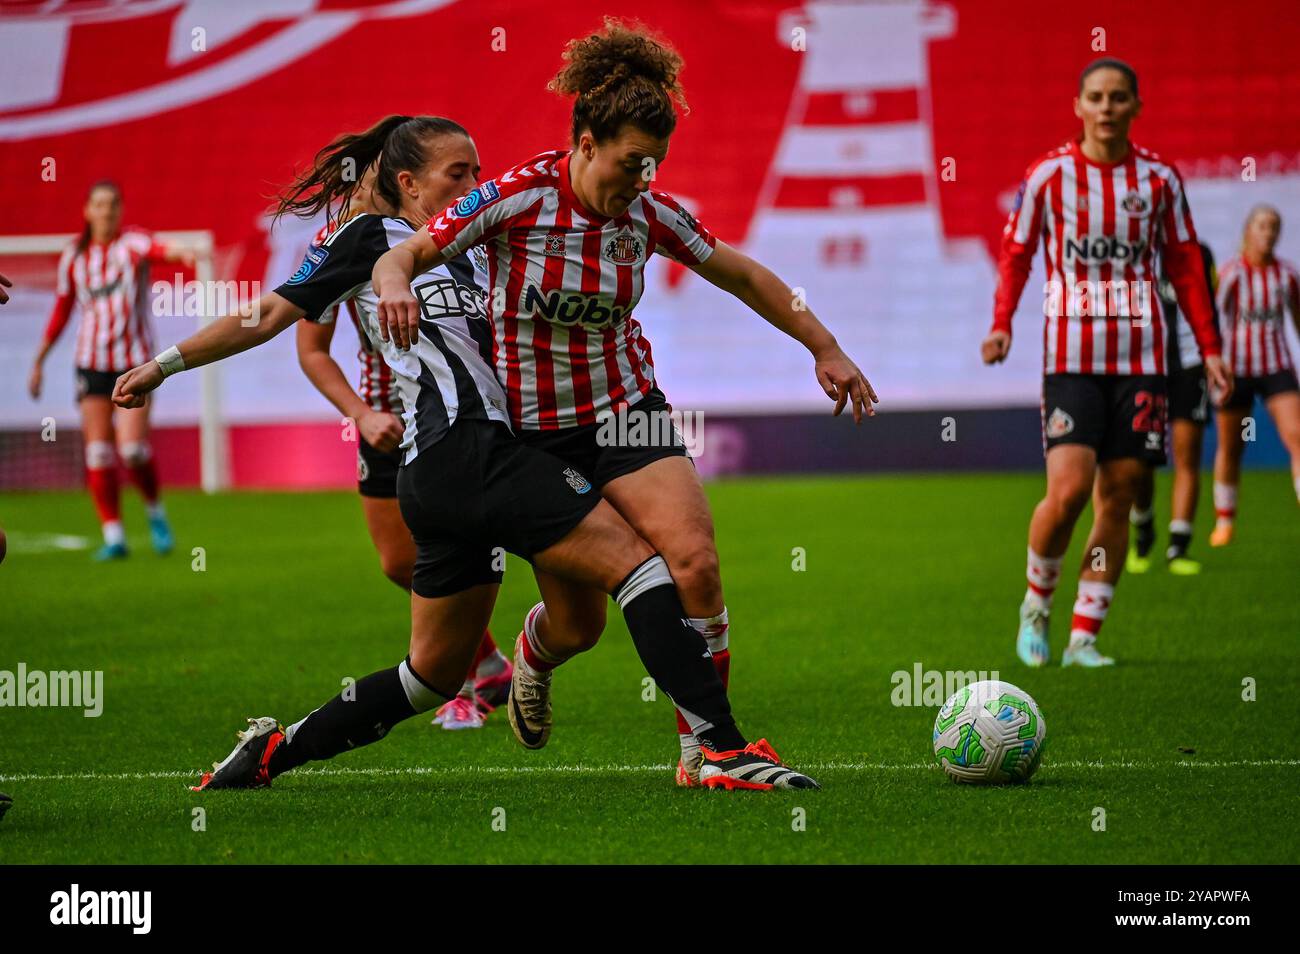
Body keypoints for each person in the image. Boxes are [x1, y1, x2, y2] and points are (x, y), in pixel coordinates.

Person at [113, 114, 819, 791]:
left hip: (451, 474)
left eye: (479, 169)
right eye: (458, 172)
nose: (474, 182)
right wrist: (162, 364)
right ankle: (722, 748)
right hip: (467, 451)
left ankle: (276, 748)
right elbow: (267, 314)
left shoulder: (478, 242)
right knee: (643, 568)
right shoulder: (370, 236)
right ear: (410, 184)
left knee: (432, 673)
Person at [371, 18, 876, 785]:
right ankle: (536, 656)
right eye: (630, 162)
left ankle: (707, 754)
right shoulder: (518, 196)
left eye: (653, 165)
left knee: (695, 564)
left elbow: (739, 273)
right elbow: (409, 249)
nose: (640, 179)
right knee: (580, 626)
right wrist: (391, 279)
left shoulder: (648, 214)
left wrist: (824, 346)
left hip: (627, 410)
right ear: (583, 143)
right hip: (536, 435)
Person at [982, 58, 1230, 668]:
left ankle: (1084, 635)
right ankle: (1037, 605)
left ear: (1136, 107)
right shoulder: (1049, 176)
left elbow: (1185, 267)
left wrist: (1212, 347)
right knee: (1067, 494)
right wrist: (1001, 322)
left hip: (1143, 360)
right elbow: (1016, 254)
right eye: (1096, 96)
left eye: (1120, 97)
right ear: (1078, 106)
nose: (1108, 107)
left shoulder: (1160, 181)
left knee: (1117, 494)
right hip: (1071, 359)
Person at [283, 149, 510, 731]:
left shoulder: (443, 233)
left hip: (451, 420)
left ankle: (464, 675)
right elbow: (310, 349)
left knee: (452, 549)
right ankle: (486, 663)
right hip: (384, 419)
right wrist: (359, 413)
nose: (357, 194)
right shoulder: (343, 243)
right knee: (398, 561)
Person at [28, 181, 189, 560]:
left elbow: (164, 249)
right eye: (99, 204)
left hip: (135, 363)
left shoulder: (131, 245)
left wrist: (187, 252)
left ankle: (155, 513)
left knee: (132, 449)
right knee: (98, 453)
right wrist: (39, 360)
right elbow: (63, 309)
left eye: (113, 204)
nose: (107, 211)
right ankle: (114, 535)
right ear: (87, 210)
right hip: (91, 365)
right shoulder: (74, 257)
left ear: (120, 210)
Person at [1209, 204, 1300, 544]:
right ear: (1248, 231)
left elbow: (1297, 317)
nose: (1268, 232)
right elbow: (1213, 318)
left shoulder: (1287, 275)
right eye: (1262, 225)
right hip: (1237, 370)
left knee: (1297, 436)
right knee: (1232, 446)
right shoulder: (1231, 273)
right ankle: (1224, 521)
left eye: (1274, 226)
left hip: (1276, 367)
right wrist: (1214, 360)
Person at [1127, 240, 1218, 574]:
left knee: (1187, 452)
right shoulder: (1132, 248)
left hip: (1190, 365)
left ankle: (1178, 547)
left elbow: (1209, 307)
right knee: (1140, 461)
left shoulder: (1198, 253)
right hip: (1145, 366)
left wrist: (1214, 355)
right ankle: (1144, 526)